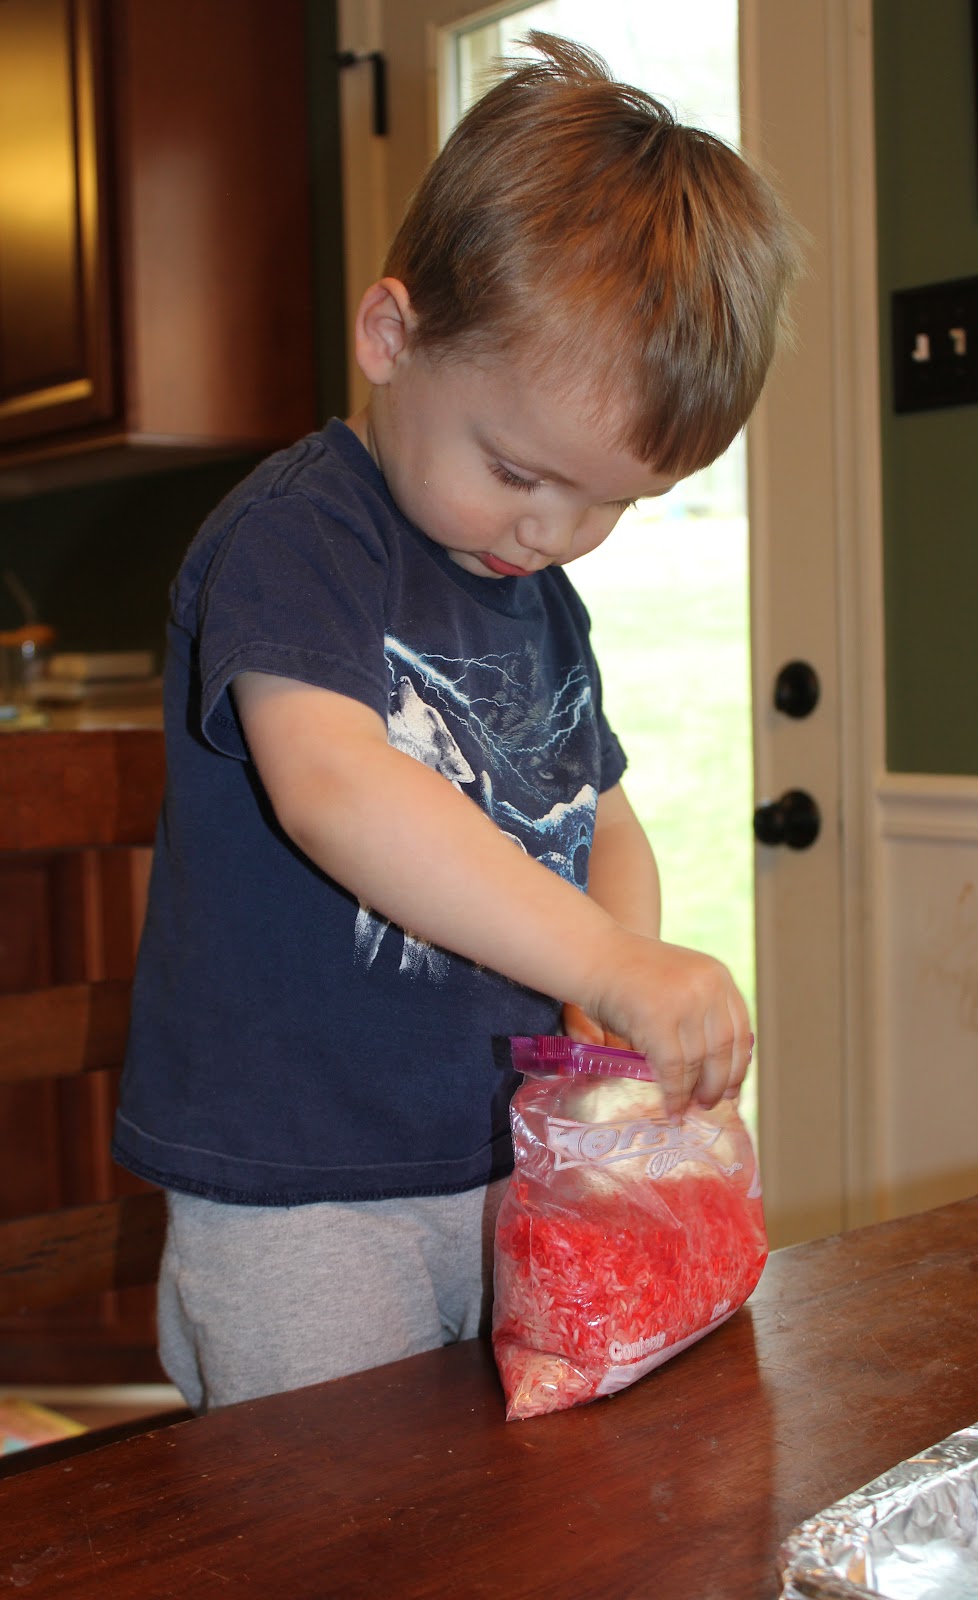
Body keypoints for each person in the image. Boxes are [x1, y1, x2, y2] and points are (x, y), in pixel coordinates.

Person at [112, 32, 801, 1411]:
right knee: (339, 1521)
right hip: (304, 1191)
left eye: (611, 504)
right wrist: (603, 959)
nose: (554, 532)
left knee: (505, 1503)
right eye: (517, 472)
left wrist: (626, 977)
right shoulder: (303, 540)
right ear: (393, 334)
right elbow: (336, 789)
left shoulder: (531, 587)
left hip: (496, 1159)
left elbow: (596, 810)